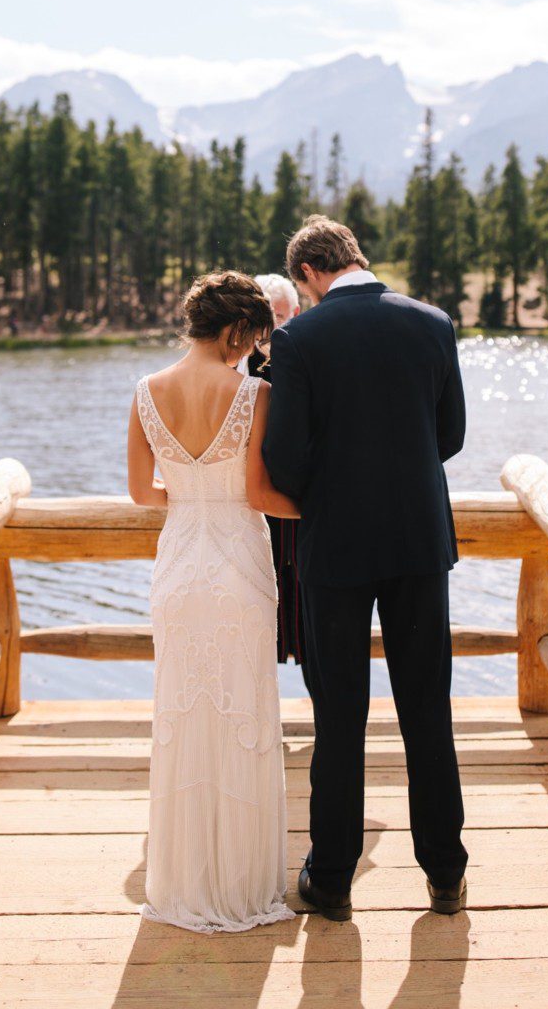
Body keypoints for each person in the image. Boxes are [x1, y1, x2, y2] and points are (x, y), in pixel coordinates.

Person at [261, 216, 469, 921]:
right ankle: (445, 874)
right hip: (418, 542)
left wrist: (331, 490)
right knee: (427, 709)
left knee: (340, 716)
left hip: (336, 548)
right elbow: (450, 435)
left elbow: (283, 457)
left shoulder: (298, 337)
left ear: (308, 273)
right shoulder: (433, 323)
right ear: (354, 256)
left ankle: (332, 880)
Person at [126, 270, 299, 933]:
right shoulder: (254, 393)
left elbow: (142, 492)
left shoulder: (146, 391)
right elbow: (259, 495)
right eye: (253, 339)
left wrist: (191, 494)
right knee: (242, 715)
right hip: (238, 567)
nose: (253, 351)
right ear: (236, 330)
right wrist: (322, 508)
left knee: (182, 714)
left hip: (179, 566)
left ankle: (184, 883)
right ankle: (239, 886)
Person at [247, 273, 309, 690]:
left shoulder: (306, 358)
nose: (272, 330)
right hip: (254, 506)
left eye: (281, 317)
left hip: (301, 509)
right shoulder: (235, 367)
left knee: (310, 615)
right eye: (265, 320)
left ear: (296, 313)